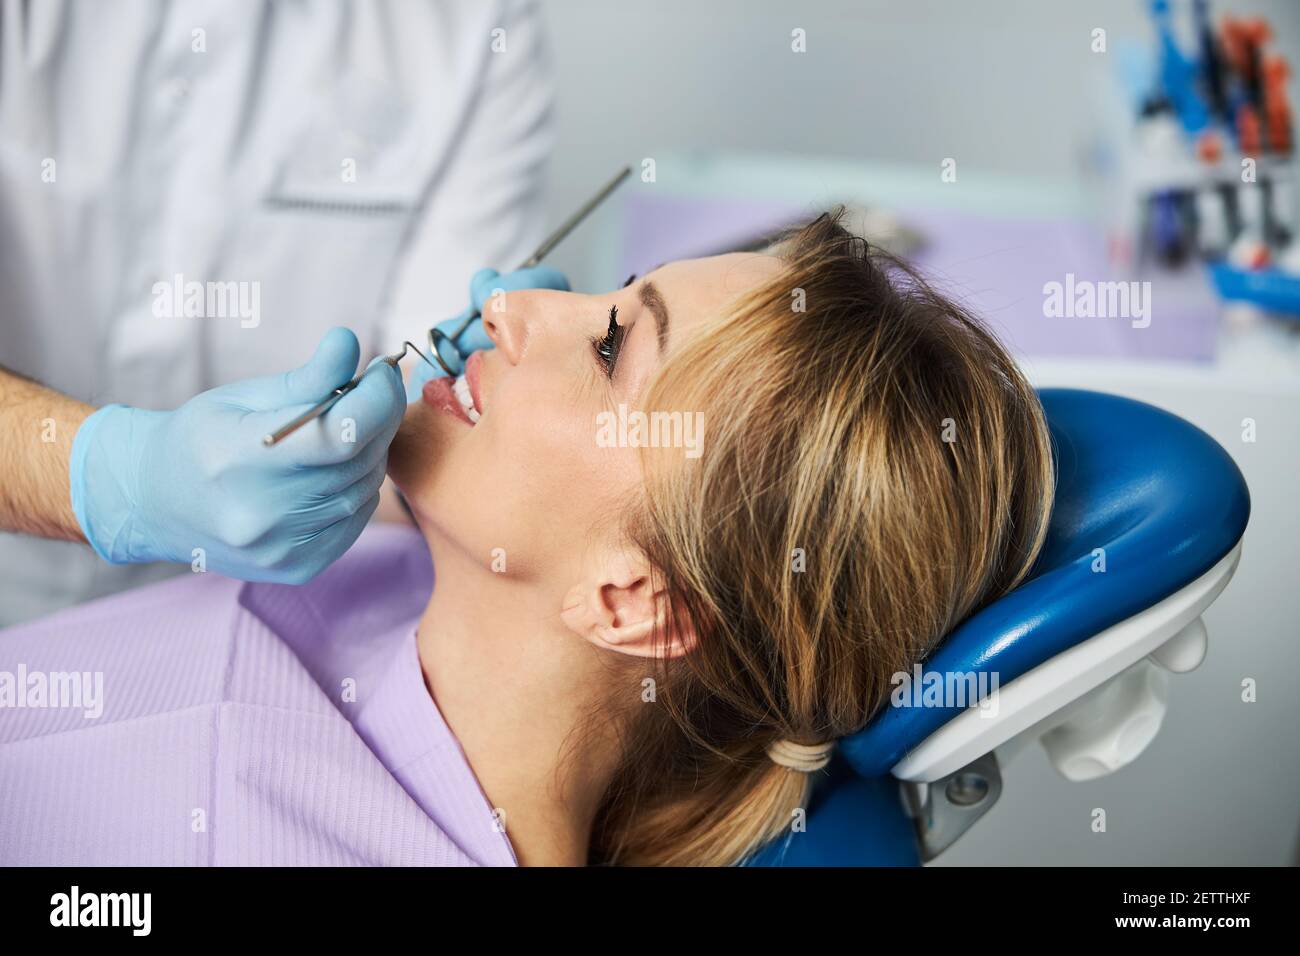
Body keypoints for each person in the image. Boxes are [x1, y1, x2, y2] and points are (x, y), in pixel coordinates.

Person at [0, 212, 1056, 866]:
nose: (506, 305)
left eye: (606, 344)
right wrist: (109, 470)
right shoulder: (383, 564)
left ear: (631, 601)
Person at [0, 0, 564, 625]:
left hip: (269, 619)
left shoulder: (477, 27)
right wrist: (116, 479)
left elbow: (433, 452)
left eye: (611, 343)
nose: (537, 321)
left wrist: (439, 426)